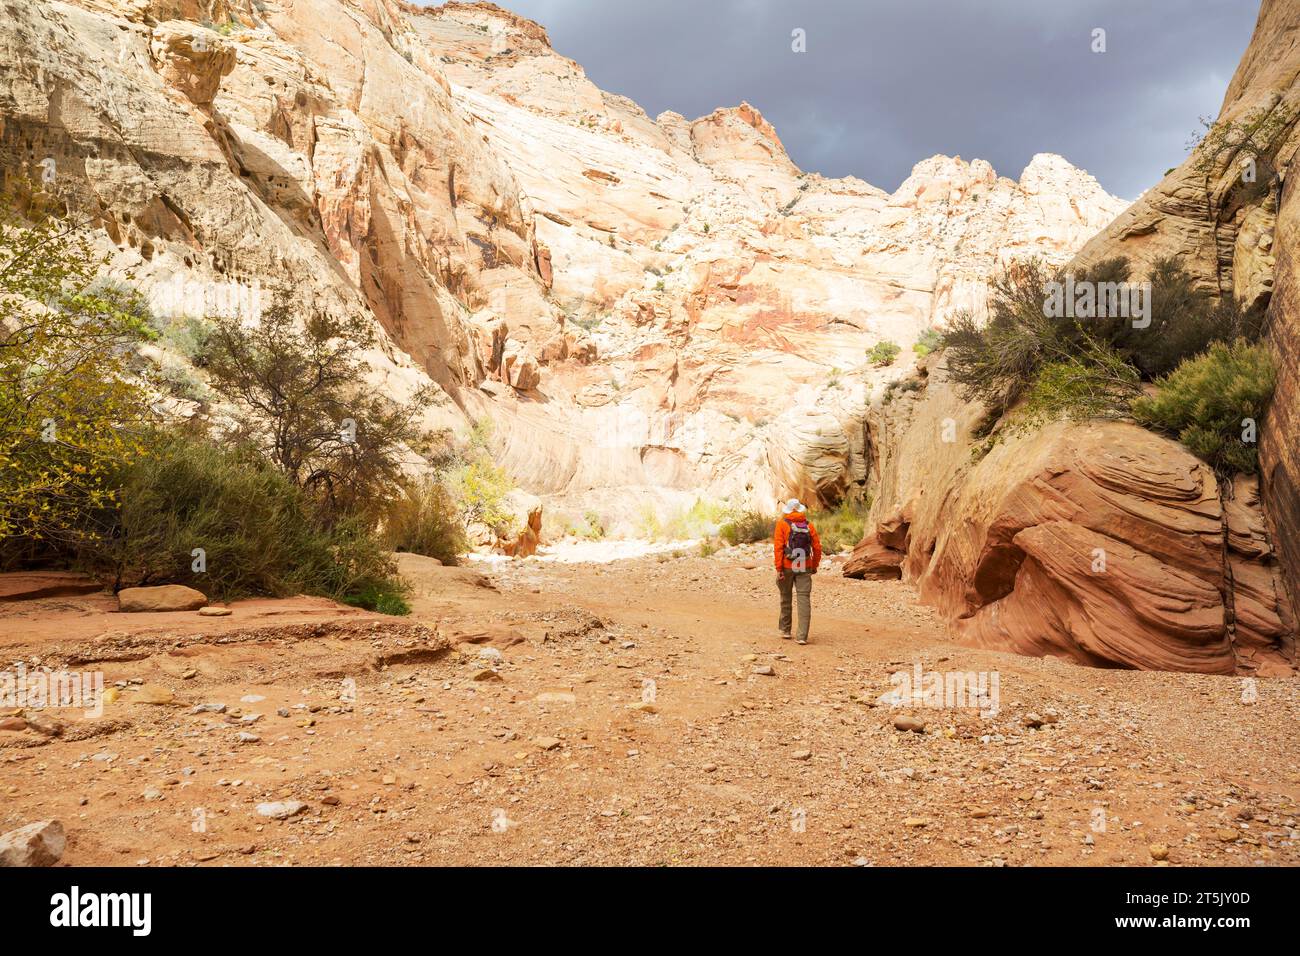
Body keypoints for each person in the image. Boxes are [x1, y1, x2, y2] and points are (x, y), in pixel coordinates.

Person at [773, 498, 821, 645]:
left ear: (788, 510)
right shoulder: (809, 525)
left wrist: (779, 568)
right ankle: (802, 636)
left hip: (787, 565)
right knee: (803, 599)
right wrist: (814, 565)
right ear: (800, 510)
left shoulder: (782, 524)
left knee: (785, 596)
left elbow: (778, 548)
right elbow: (817, 547)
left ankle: (786, 630)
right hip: (804, 565)